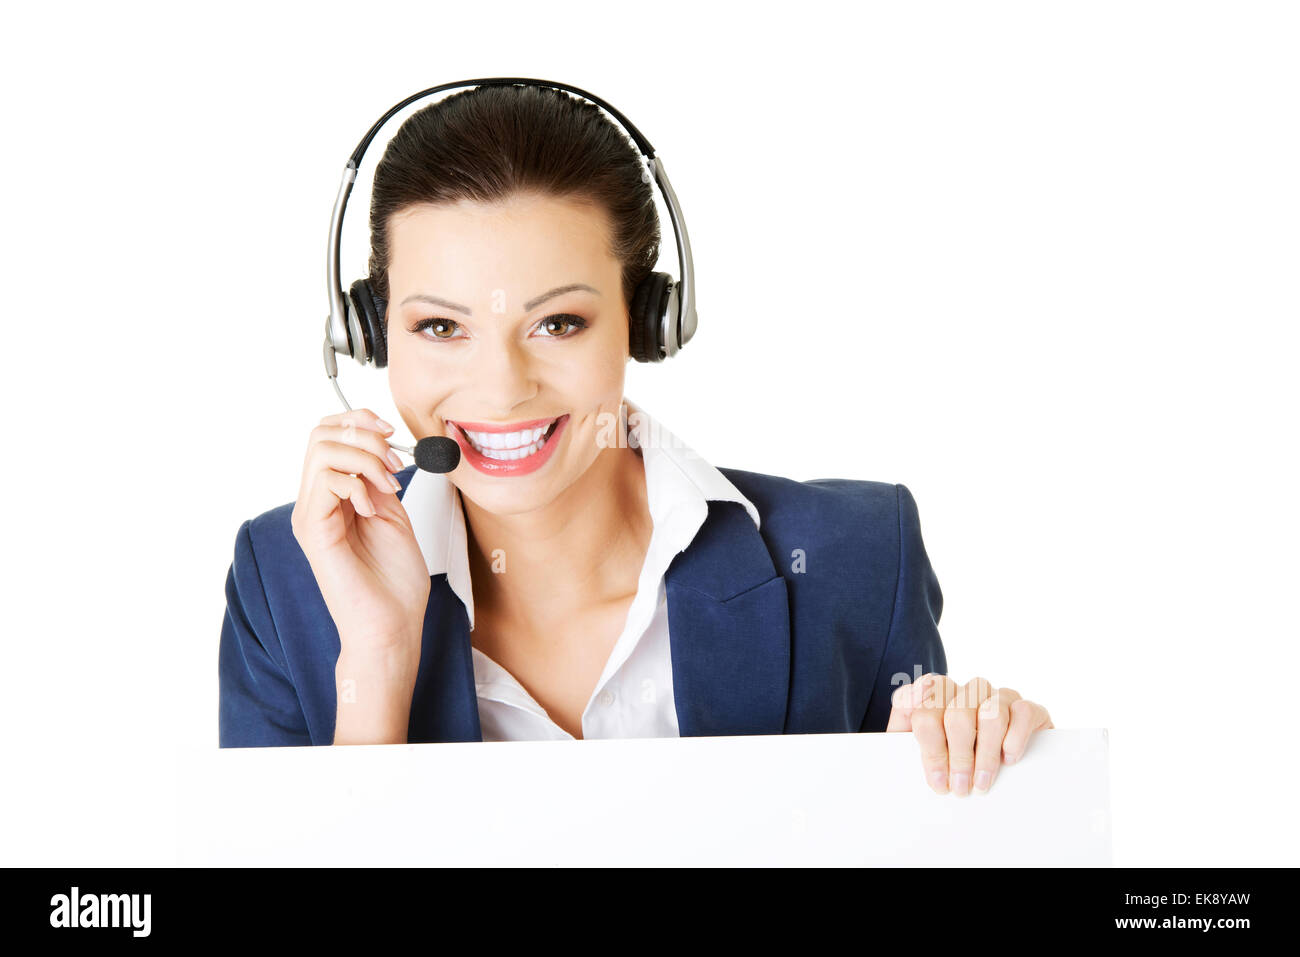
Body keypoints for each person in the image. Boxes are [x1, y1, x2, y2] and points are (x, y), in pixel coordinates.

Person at [218, 83, 1052, 797]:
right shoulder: (286, 584)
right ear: (369, 339)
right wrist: (379, 660)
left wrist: (988, 768)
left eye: (557, 321)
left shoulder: (856, 560)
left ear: (649, 324)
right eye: (440, 325)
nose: (501, 386)